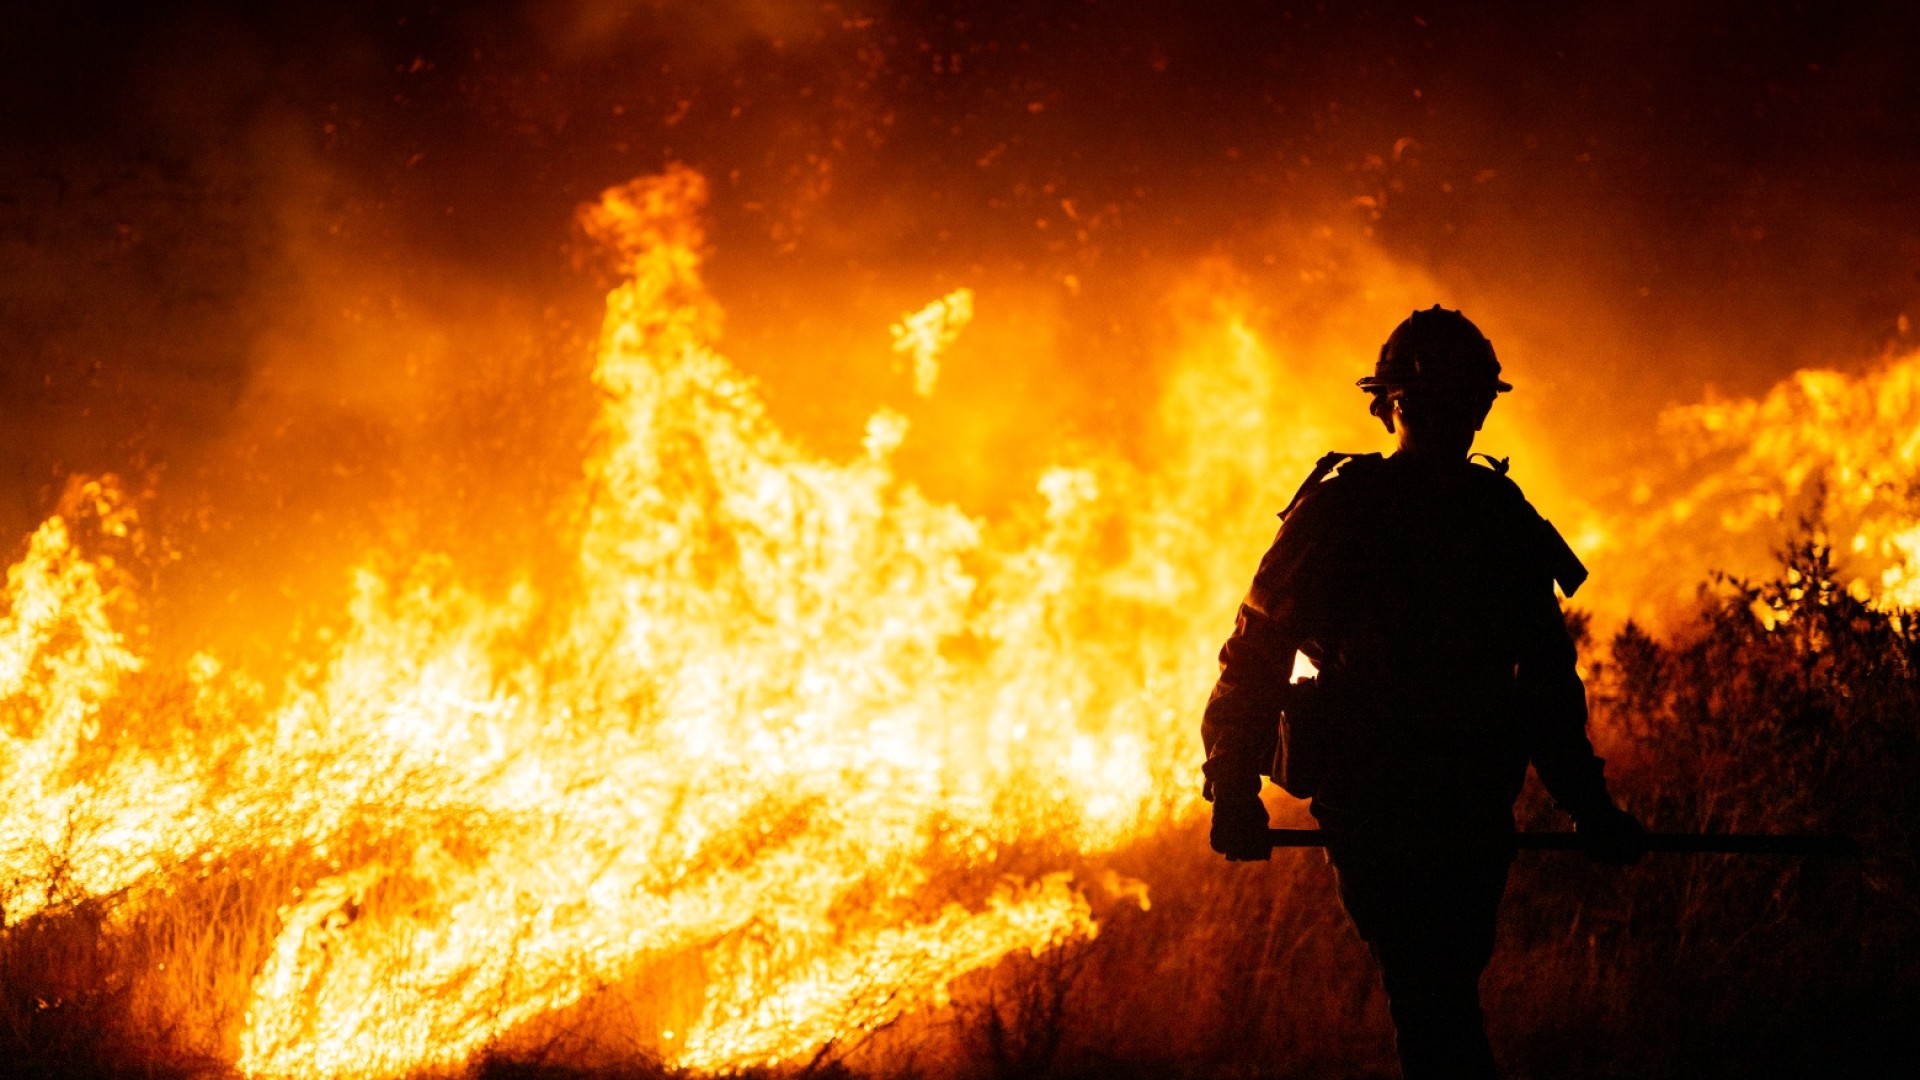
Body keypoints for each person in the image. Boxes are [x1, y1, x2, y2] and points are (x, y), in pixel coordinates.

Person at [1199, 305, 1645, 1079]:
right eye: (1438, 400)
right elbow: (1257, 657)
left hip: (1468, 802)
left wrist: (1591, 807)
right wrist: (1232, 787)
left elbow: (1544, 680)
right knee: (1432, 992)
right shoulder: (1340, 511)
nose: (1456, 418)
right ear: (1393, 405)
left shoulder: (1496, 516)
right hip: (1375, 801)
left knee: (1441, 990)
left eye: (1467, 402)